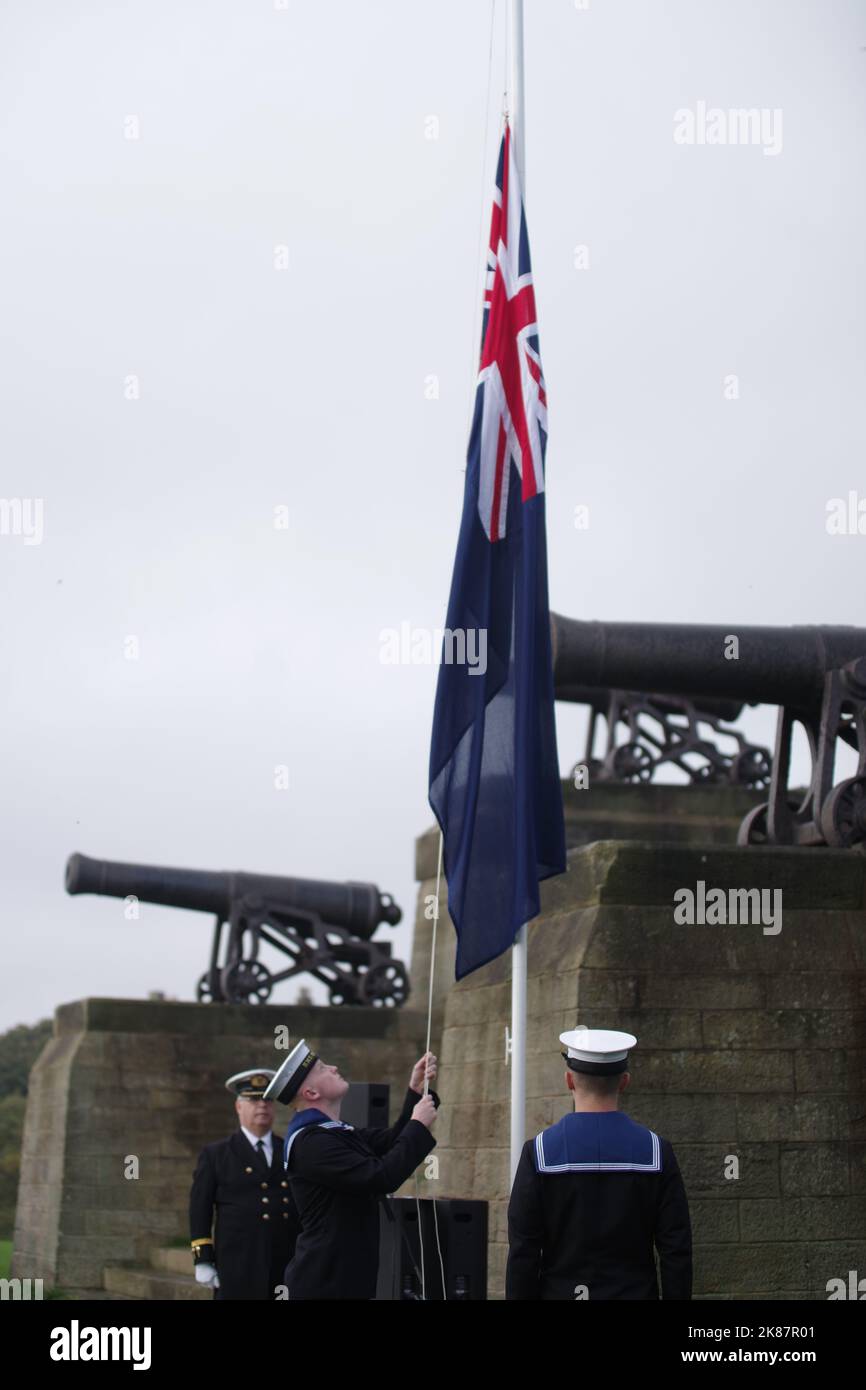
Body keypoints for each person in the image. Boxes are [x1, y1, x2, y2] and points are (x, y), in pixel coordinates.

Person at [506, 1028, 692, 1300]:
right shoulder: (656, 1152)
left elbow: (523, 1253)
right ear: (624, 1081)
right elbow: (676, 1251)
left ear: (569, 1080)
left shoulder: (539, 1153)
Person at [264, 1040, 439, 1299]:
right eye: (323, 1069)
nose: (334, 1068)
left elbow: (389, 1142)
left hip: (344, 1280)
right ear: (311, 1093)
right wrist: (417, 1124)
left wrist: (415, 1091)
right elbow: (381, 1176)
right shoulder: (312, 1143)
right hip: (325, 1283)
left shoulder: (332, 1132)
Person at [189, 1068, 299, 1299]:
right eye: (254, 1100)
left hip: (284, 1263)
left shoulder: (289, 1150)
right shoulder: (217, 1154)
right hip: (237, 1265)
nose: (262, 1106)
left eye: (268, 1100)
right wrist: (203, 1259)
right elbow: (200, 1209)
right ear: (239, 1106)